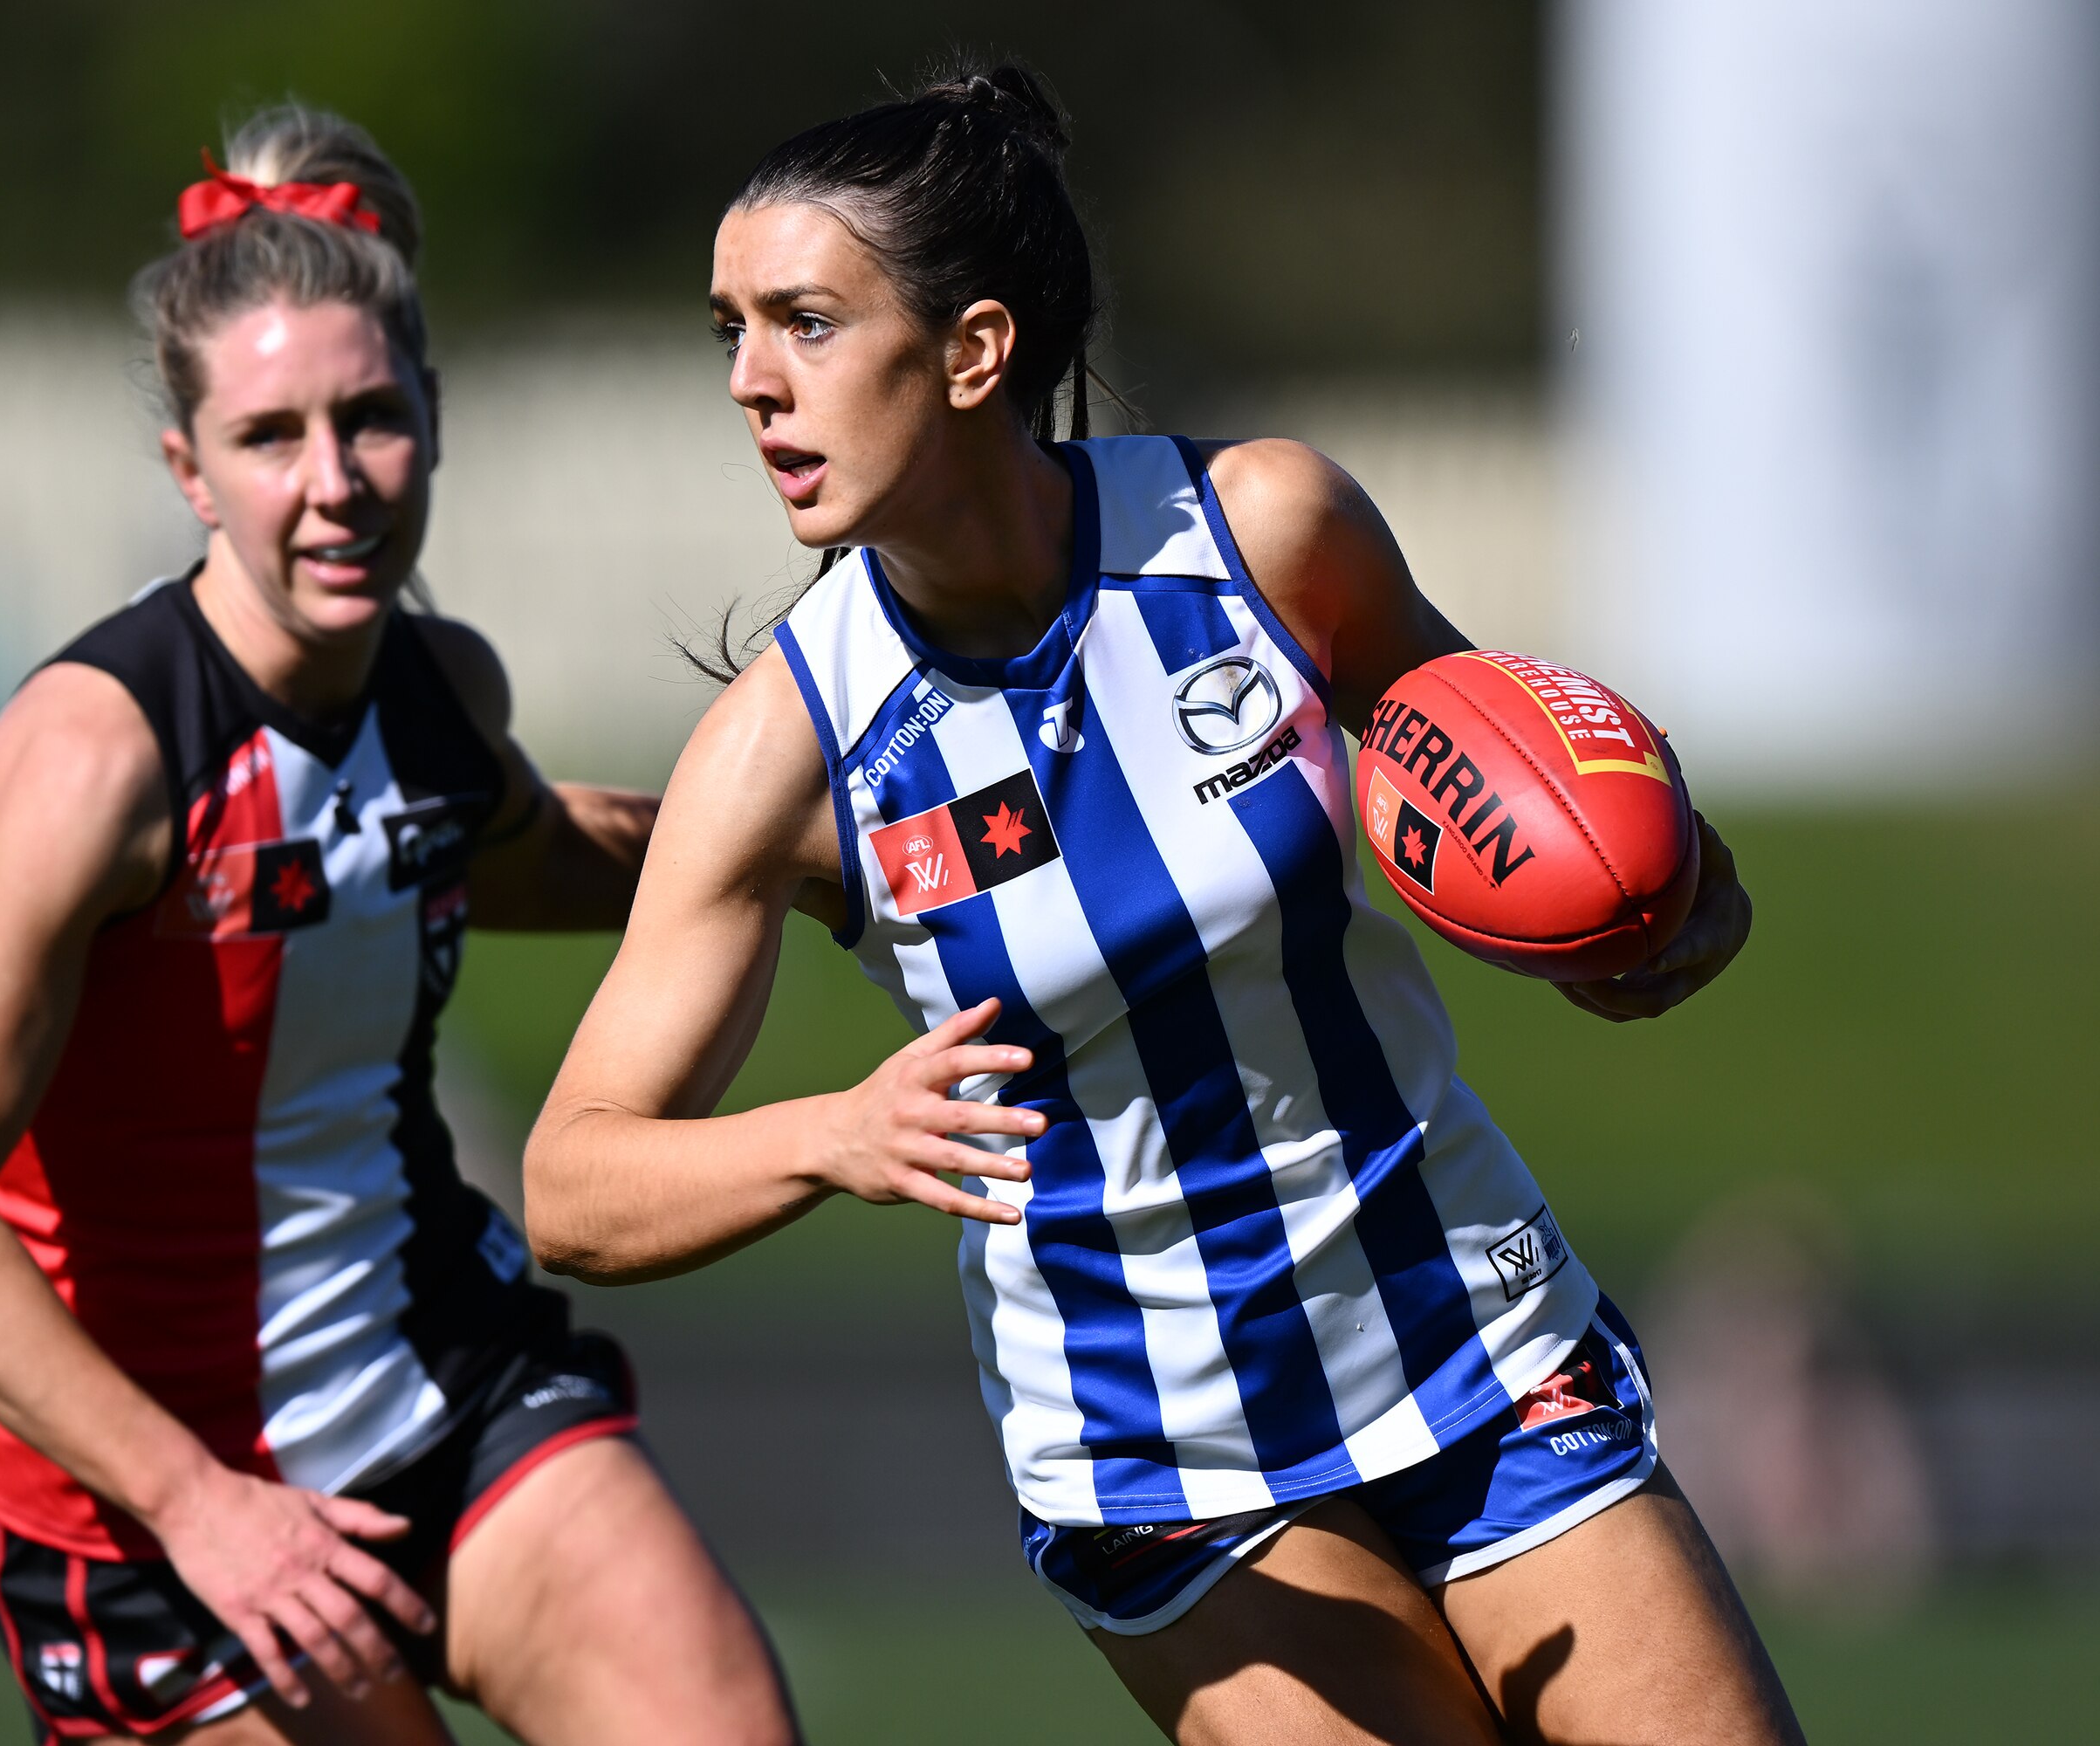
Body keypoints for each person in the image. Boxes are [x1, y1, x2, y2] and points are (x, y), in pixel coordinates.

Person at [524, 63, 1802, 1746]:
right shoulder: (787, 746)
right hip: (1167, 1468)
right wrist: (835, 1134)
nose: (753, 383)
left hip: (1475, 1342)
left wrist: (1652, 906)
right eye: (730, 332)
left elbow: (1492, 796)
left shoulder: (1264, 532)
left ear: (975, 352)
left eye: (805, 324)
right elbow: (572, 1181)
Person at [0, 105, 795, 1746]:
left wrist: (831, 839)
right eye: (271, 435)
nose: (334, 483)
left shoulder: (436, 696)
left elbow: (539, 859)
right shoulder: (94, 759)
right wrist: (203, 1506)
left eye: (371, 418)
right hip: (165, 1514)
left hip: (450, 1389)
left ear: (435, 413)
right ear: (186, 470)